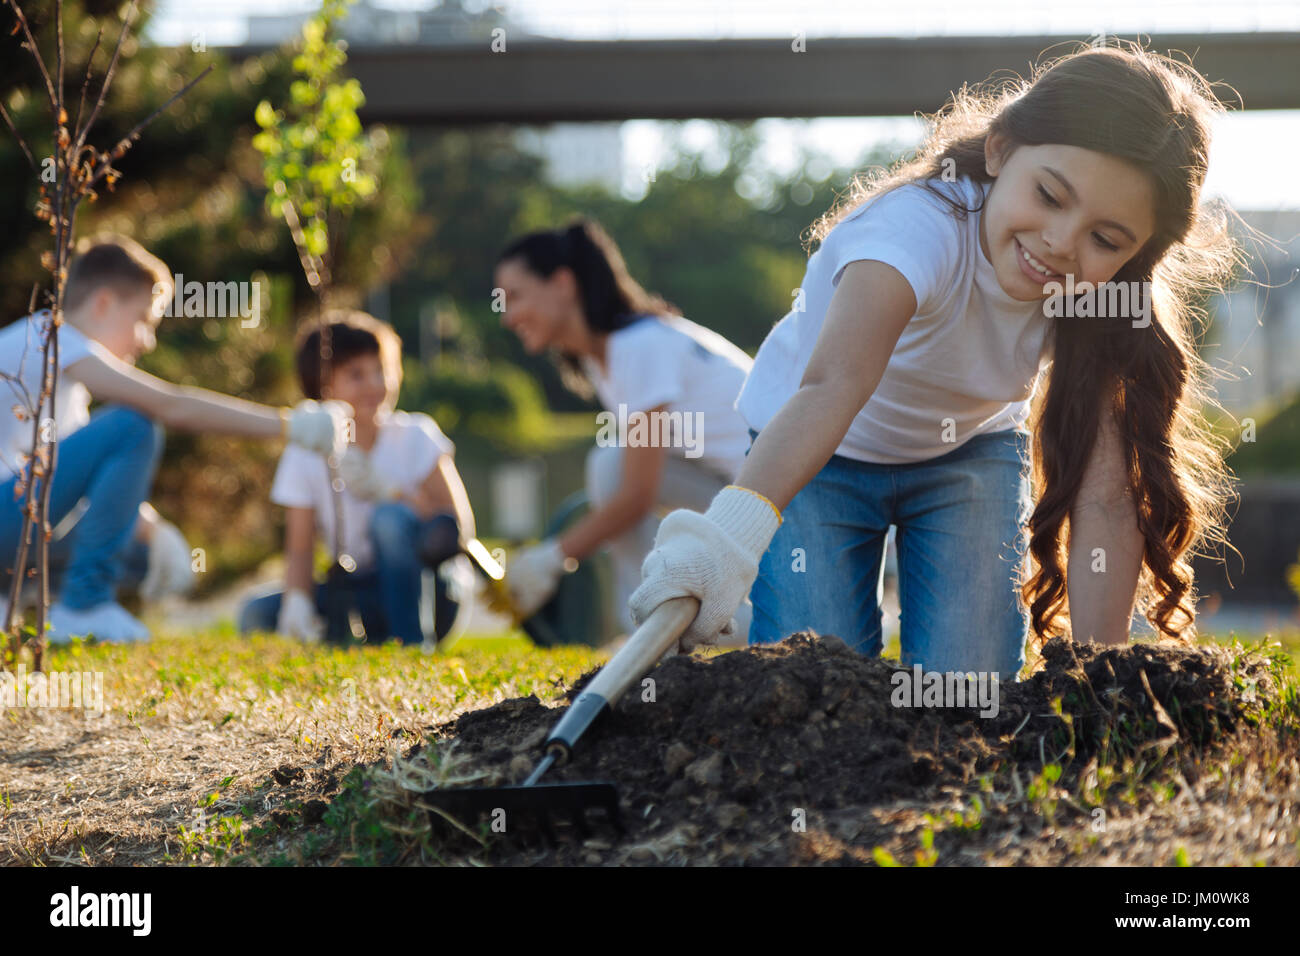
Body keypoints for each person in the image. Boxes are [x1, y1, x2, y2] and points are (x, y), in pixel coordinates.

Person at [628, 42, 1241, 678]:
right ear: (1001, 149)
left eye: (1105, 238)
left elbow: (1107, 494)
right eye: (1050, 196)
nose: (1061, 244)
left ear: (1137, 252)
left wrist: (1098, 676)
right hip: (820, 453)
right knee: (815, 676)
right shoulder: (910, 234)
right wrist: (723, 543)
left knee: (966, 694)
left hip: (967, 456)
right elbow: (833, 387)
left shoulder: (1104, 299)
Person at [0, 235, 345, 644]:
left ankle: (10, 599)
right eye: (144, 319)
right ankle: (84, 606)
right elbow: (171, 405)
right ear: (104, 303)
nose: (148, 340)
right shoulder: (51, 338)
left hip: (13, 518)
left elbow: (78, 488)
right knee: (134, 425)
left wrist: (157, 531)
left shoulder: (62, 380)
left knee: (142, 555)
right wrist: (291, 426)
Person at [494, 219, 754, 638]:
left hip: (785, 511)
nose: (507, 316)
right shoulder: (614, 356)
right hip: (752, 501)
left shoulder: (636, 347)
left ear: (562, 283)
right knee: (612, 462)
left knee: (611, 466)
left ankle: (668, 623)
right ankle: (666, 617)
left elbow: (636, 494)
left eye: (515, 296)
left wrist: (551, 558)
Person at [237, 310, 476, 647]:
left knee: (389, 520)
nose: (375, 385)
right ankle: (360, 640)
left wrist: (392, 494)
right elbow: (301, 548)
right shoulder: (306, 452)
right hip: (361, 591)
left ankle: (411, 645)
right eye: (357, 375)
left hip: (432, 591)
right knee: (257, 614)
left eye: (382, 370)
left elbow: (457, 527)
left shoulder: (417, 435)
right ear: (323, 386)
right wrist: (297, 601)